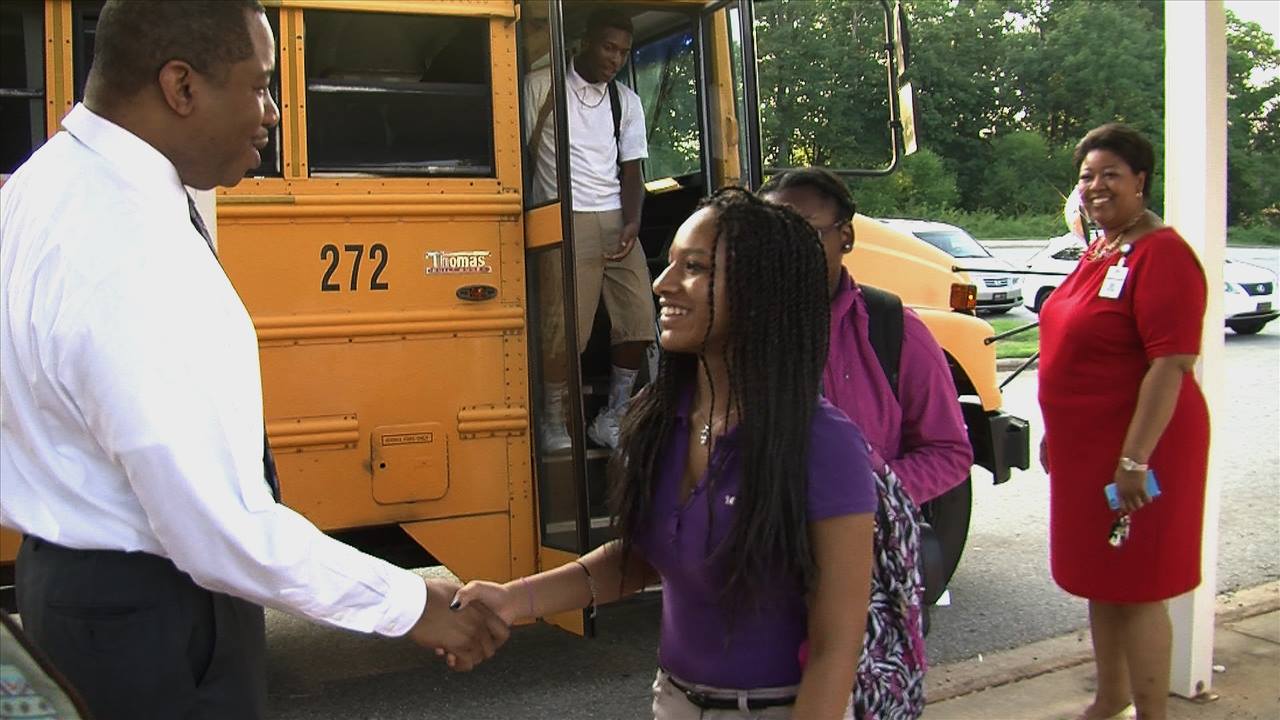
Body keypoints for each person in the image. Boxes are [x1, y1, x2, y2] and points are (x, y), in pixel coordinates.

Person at [0, 3, 507, 718]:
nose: (272, 112)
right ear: (181, 87)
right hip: (161, 622)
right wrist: (408, 603)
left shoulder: (38, 186)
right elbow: (217, 529)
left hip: (72, 593)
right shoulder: (131, 251)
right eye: (261, 85)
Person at [454, 188, 877, 719]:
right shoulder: (659, 419)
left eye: (694, 267)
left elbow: (838, 643)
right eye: (671, 262)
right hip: (674, 701)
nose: (662, 282)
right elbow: (638, 560)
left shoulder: (821, 442)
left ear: (760, 289)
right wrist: (511, 600)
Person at [761, 168, 972, 718]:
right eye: (771, 232)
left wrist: (862, 495)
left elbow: (950, 452)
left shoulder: (893, 329)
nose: (786, 247)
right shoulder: (734, 331)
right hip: (760, 578)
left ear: (846, 237)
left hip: (863, 578)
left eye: (803, 229)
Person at [1038, 123, 1210, 720]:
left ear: (1141, 180)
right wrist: (1058, 432)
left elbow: (1171, 365)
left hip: (1143, 446)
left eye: (1110, 173)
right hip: (1089, 447)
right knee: (1101, 578)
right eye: (1087, 176)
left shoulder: (1163, 254)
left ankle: (1152, 713)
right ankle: (1111, 698)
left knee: (1138, 585)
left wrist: (1134, 458)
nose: (1095, 186)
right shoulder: (1103, 249)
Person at [525, 8, 654, 450]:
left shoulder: (626, 101)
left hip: (615, 217)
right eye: (608, 47)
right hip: (563, 216)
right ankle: (554, 419)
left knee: (639, 320)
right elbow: (516, 156)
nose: (615, 59)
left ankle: (613, 416)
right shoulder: (541, 88)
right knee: (564, 330)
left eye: (623, 52)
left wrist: (634, 221)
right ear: (583, 42)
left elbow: (632, 170)